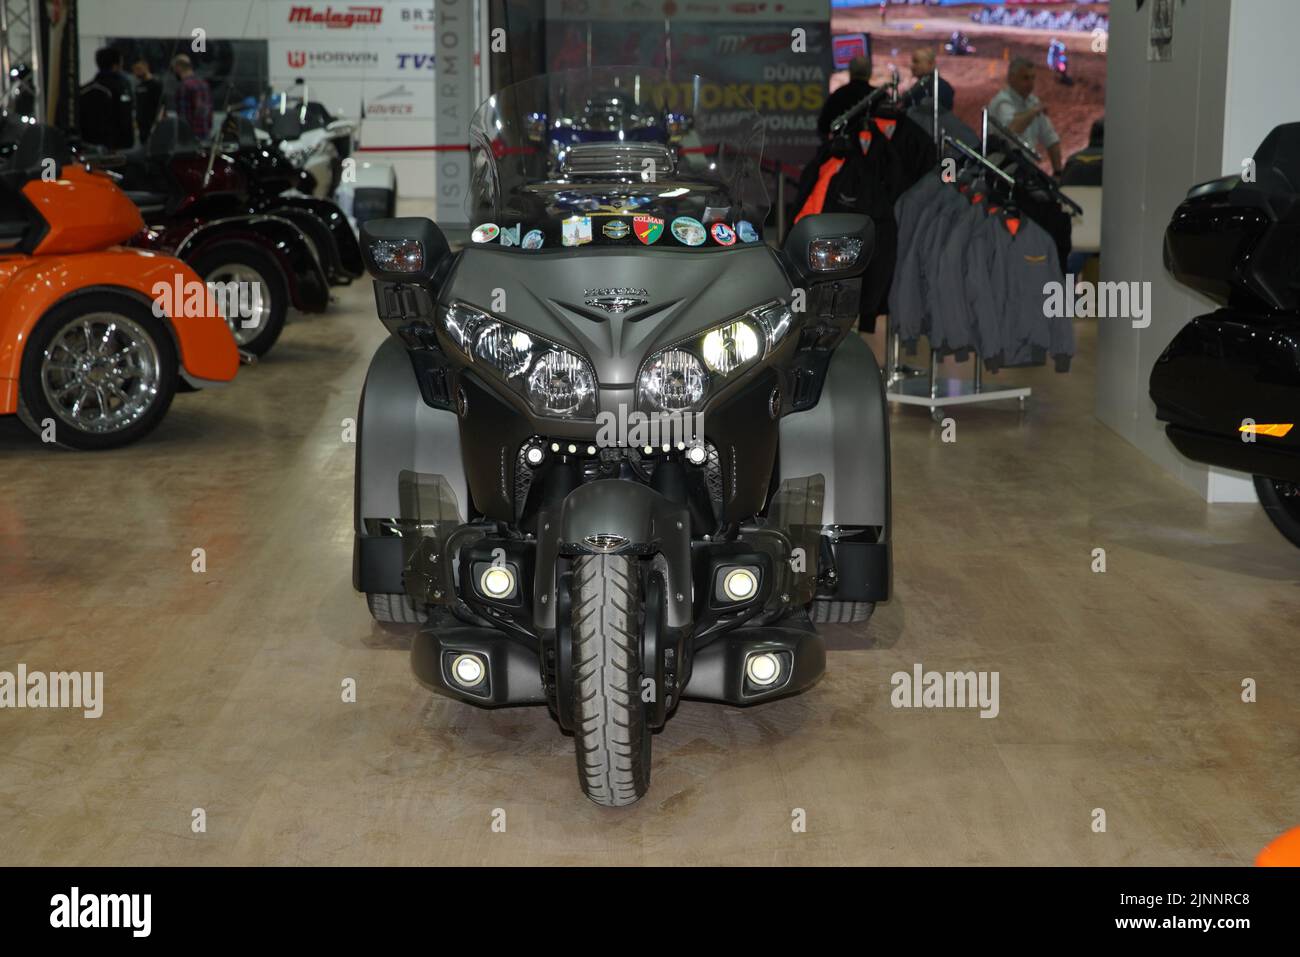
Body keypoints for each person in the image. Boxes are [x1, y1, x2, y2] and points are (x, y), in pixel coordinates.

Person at [987, 57, 1062, 175]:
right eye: (1025, 78)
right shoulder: (1001, 102)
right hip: (1001, 174)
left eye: (1033, 78)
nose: (1030, 83)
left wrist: (1058, 173)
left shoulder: (1033, 103)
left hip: (1025, 173)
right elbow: (1012, 129)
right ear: (1011, 78)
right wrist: (1034, 111)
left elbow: (1051, 139)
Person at [77, 47, 135, 149]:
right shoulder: (121, 88)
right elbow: (125, 120)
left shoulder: (85, 89)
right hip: (117, 147)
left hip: (88, 145)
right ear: (117, 64)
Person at [817, 55, 874, 141]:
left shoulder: (837, 96)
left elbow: (823, 127)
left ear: (850, 72)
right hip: (875, 151)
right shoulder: (880, 96)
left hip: (844, 150)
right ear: (869, 73)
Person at [171, 53, 212, 138]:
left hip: (190, 136)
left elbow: (184, 116)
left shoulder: (184, 86)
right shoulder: (204, 84)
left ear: (179, 67)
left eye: (174, 69)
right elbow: (208, 111)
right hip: (205, 132)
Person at [901, 47, 954, 112]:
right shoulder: (923, 84)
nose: (912, 66)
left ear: (930, 64)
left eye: (916, 62)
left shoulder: (938, 87)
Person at [132, 59, 163, 143]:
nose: (136, 72)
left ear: (146, 67)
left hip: (153, 124)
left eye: (139, 69)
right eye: (135, 70)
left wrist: (158, 121)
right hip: (141, 124)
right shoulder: (138, 86)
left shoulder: (156, 84)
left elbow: (162, 104)